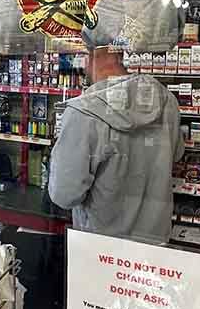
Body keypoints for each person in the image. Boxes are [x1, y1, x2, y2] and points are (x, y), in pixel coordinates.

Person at [49, 46, 184, 244]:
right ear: (120, 53)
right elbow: (176, 154)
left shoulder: (83, 111)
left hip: (103, 250)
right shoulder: (166, 100)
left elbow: (65, 195)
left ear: (89, 56)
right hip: (155, 243)